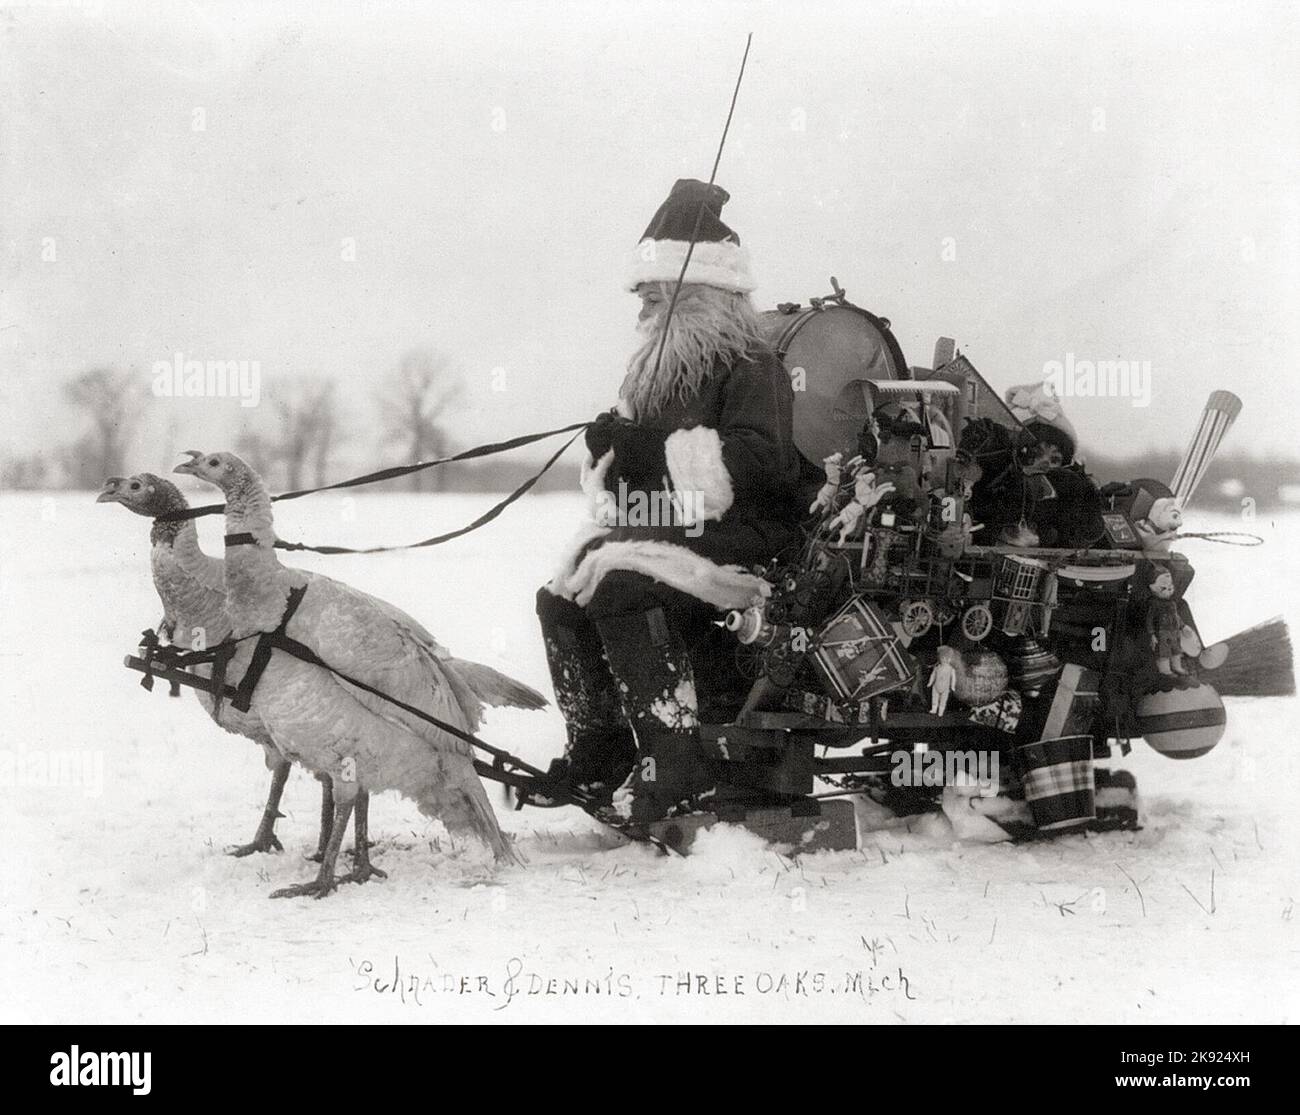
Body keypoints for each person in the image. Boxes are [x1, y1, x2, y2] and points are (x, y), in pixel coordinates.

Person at [535, 178, 807, 823]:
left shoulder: (753, 365)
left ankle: (676, 761)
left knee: (622, 579)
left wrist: (651, 452)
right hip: (678, 530)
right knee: (561, 593)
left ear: (710, 295)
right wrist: (611, 456)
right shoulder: (651, 376)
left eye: (664, 294)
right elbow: (626, 501)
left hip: (760, 532)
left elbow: (763, 463)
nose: (648, 304)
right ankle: (602, 750)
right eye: (645, 294)